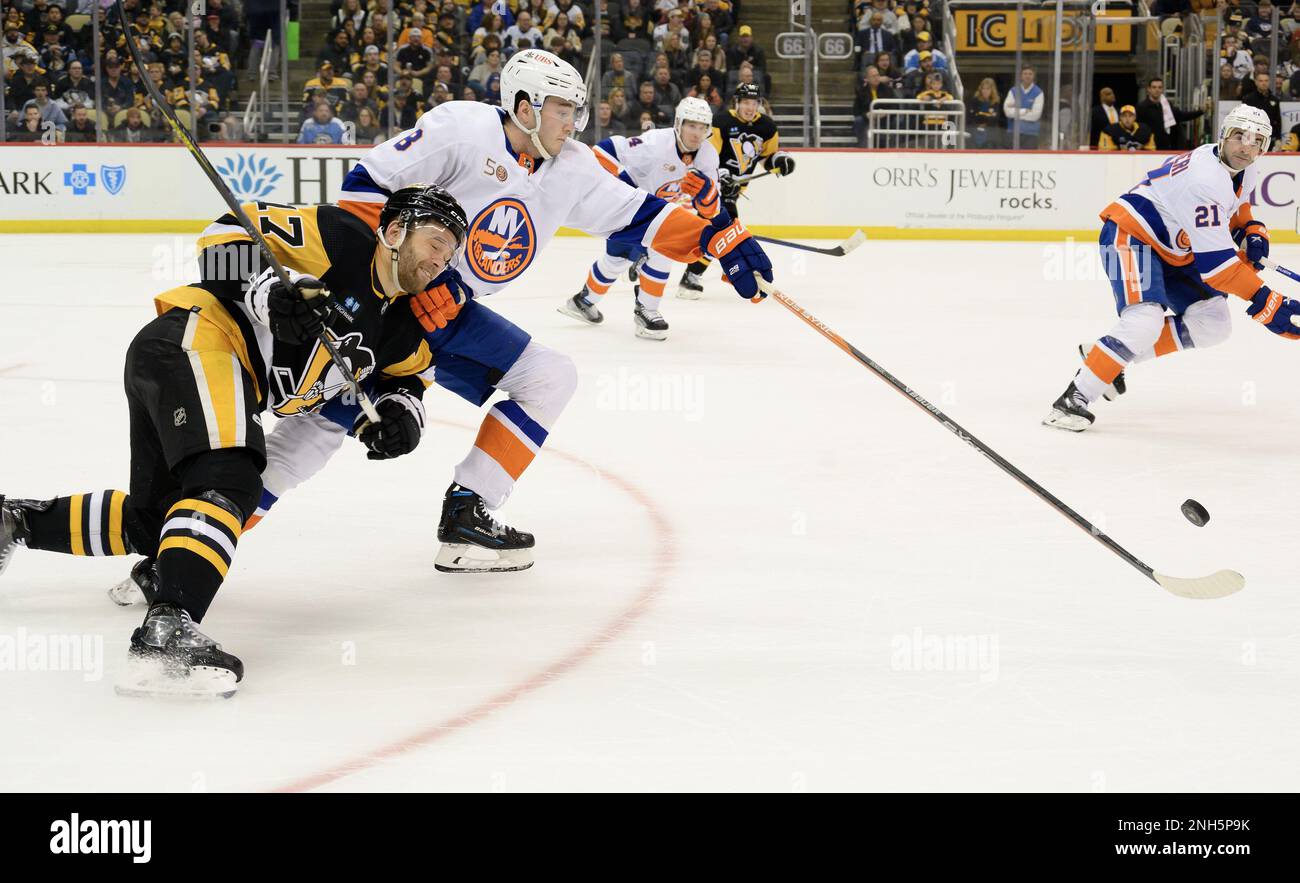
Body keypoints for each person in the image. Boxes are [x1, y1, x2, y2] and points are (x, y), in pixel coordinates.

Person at [247, 49, 773, 574]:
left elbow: (637, 216)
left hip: (447, 320)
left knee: (548, 376)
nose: (574, 122)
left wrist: (716, 236)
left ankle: (466, 511)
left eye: (576, 111)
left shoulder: (573, 168)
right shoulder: (461, 129)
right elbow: (363, 190)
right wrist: (409, 280)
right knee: (313, 432)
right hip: (383, 303)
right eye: (563, 110)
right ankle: (196, 530)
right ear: (525, 108)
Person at [0, 185, 469, 697]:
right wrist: (268, 294)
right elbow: (223, 231)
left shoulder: (399, 326)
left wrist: (400, 418)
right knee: (230, 476)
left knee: (156, 521)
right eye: (435, 242)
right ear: (396, 231)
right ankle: (168, 629)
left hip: (198, 365)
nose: (441, 260)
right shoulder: (340, 239)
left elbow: (409, 380)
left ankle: (15, 521)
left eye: (450, 250)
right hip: (198, 339)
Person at [1044, 106, 1287, 431]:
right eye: (1239, 137)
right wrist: (1267, 302)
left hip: (1175, 248)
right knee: (1144, 320)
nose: (1247, 146)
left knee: (1213, 323)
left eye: (1257, 141)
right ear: (1223, 136)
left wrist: (1251, 227)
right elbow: (1218, 269)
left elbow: (1236, 205)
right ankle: (1072, 400)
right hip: (1133, 234)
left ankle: (1110, 358)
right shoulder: (1204, 179)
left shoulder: (1240, 167)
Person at [560, 97, 721, 340]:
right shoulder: (656, 143)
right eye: (691, 125)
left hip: (656, 211)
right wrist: (609, 185)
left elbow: (712, 209)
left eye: (702, 127)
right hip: (628, 204)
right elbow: (608, 148)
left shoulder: (707, 155)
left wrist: (706, 192)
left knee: (623, 258)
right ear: (678, 123)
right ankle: (644, 310)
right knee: (644, 254)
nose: (697, 133)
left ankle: (583, 301)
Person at [677, 83, 790, 298]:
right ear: (737, 103)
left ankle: (650, 259)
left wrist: (780, 160)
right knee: (725, 233)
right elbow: (706, 156)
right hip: (712, 187)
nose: (750, 107)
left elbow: (767, 157)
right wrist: (720, 175)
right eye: (745, 102)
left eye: (754, 103)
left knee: (711, 234)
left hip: (735, 190)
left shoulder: (766, 127)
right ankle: (692, 277)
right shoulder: (721, 123)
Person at [1136, 77, 1204, 150]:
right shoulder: (1142, 107)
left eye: (1159, 87)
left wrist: (1201, 111)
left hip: (1167, 147)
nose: (1157, 90)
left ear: (1162, 89)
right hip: (1149, 148)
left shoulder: (1167, 105)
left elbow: (1182, 115)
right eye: (1154, 87)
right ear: (1149, 89)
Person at [1003, 65, 1043, 148]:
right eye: (1025, 73)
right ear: (1021, 76)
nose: (1027, 76)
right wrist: (1024, 111)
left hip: (1031, 134)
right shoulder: (1013, 91)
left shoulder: (1038, 92)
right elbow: (1007, 112)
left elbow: (1035, 116)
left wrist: (1016, 113)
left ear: (1034, 76)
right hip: (1013, 132)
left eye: (1030, 74)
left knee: (1029, 160)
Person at [1241, 71, 1283, 149]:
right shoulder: (1248, 99)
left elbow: (1277, 120)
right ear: (1256, 82)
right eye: (1261, 81)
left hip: (1269, 137)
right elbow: (1244, 119)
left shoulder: (1274, 100)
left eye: (1266, 81)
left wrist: (1278, 138)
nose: (1264, 83)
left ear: (1269, 82)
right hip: (1252, 137)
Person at [966, 77, 1001, 148]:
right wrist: (986, 117)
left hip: (990, 134)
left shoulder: (995, 102)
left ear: (992, 90)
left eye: (988, 89)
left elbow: (995, 119)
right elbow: (970, 118)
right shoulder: (974, 101)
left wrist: (981, 116)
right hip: (975, 133)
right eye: (983, 88)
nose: (985, 91)